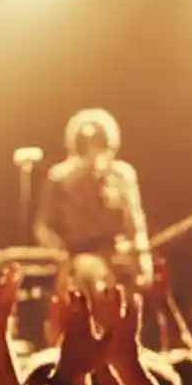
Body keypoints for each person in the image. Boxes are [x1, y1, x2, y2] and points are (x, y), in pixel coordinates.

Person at [35, 108, 153, 290]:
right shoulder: (59, 178)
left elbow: (135, 224)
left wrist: (143, 262)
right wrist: (61, 255)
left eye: (98, 143)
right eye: (86, 145)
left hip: (115, 259)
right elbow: (43, 226)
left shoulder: (122, 176)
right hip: (75, 260)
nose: (92, 151)